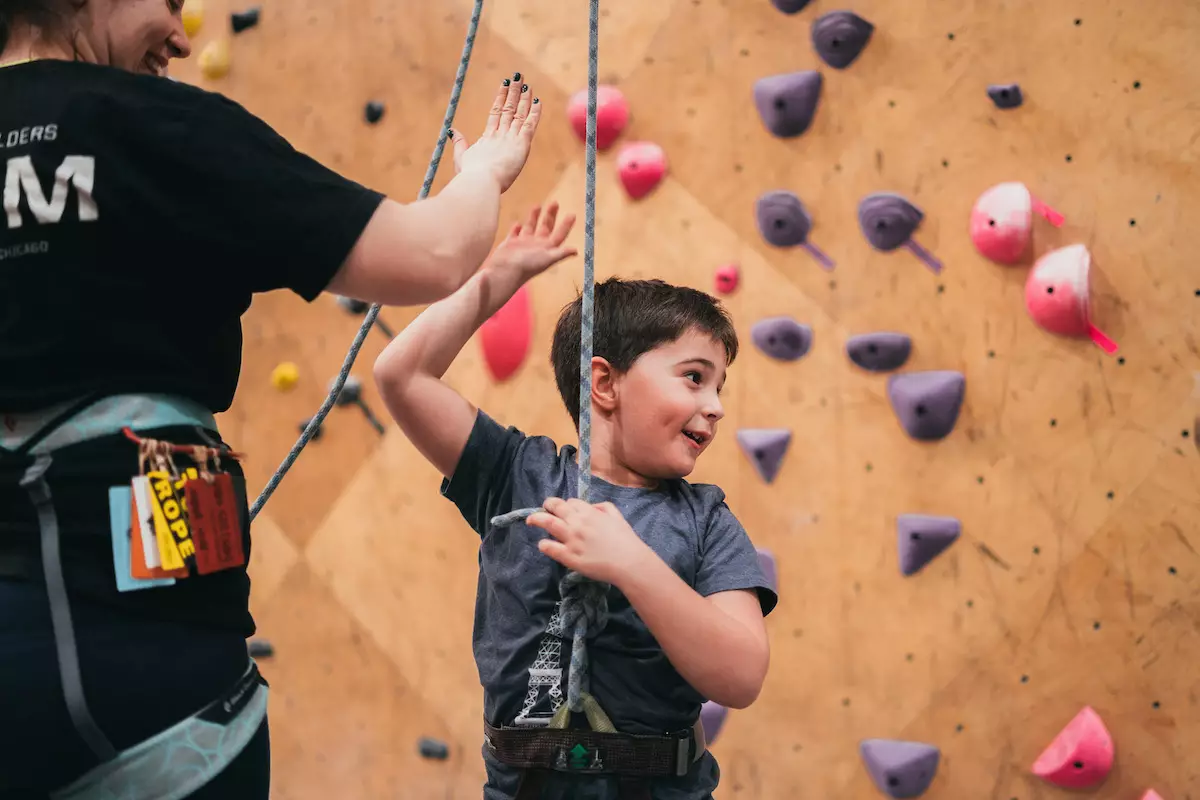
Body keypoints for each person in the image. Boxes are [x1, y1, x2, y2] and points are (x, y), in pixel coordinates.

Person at [0, 0, 547, 796]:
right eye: (172, 1)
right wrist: (488, 171)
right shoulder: (155, 125)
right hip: (159, 672)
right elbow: (434, 251)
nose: (185, 38)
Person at [372, 202, 779, 799]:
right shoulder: (515, 472)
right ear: (606, 383)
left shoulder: (705, 518)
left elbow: (742, 676)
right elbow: (401, 375)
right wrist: (497, 281)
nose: (715, 404)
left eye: (719, 386)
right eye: (694, 377)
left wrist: (632, 564)